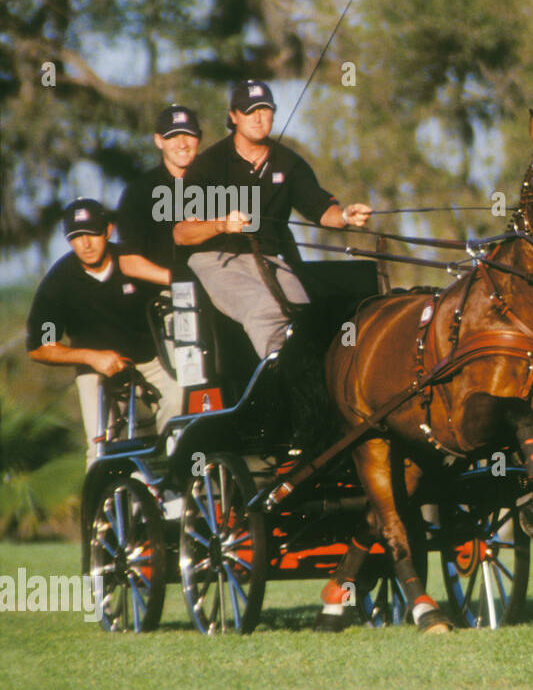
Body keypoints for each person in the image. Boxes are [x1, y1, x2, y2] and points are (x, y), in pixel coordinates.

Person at [173, 80, 372, 358]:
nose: (257, 117)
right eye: (249, 110)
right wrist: (220, 224)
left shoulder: (288, 163)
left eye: (264, 110)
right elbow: (182, 233)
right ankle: (282, 379)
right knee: (264, 310)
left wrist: (346, 216)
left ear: (274, 113)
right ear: (233, 116)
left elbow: (322, 211)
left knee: (305, 316)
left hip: (269, 259)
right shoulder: (208, 164)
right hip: (216, 259)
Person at [27, 198, 182, 466]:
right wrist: (91, 357)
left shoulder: (132, 261)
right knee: (98, 446)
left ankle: (174, 487)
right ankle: (100, 502)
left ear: (108, 231)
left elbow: (173, 289)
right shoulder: (58, 284)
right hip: (96, 371)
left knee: (180, 408)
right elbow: (41, 347)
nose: (86, 244)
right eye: (77, 237)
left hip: (150, 361)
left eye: (92, 233)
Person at [114, 103, 204, 284]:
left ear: (199, 138)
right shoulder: (139, 192)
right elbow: (129, 262)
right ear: (158, 140)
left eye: (189, 135)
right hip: (163, 295)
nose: (182, 144)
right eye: (172, 136)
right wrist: (178, 280)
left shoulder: (221, 182)